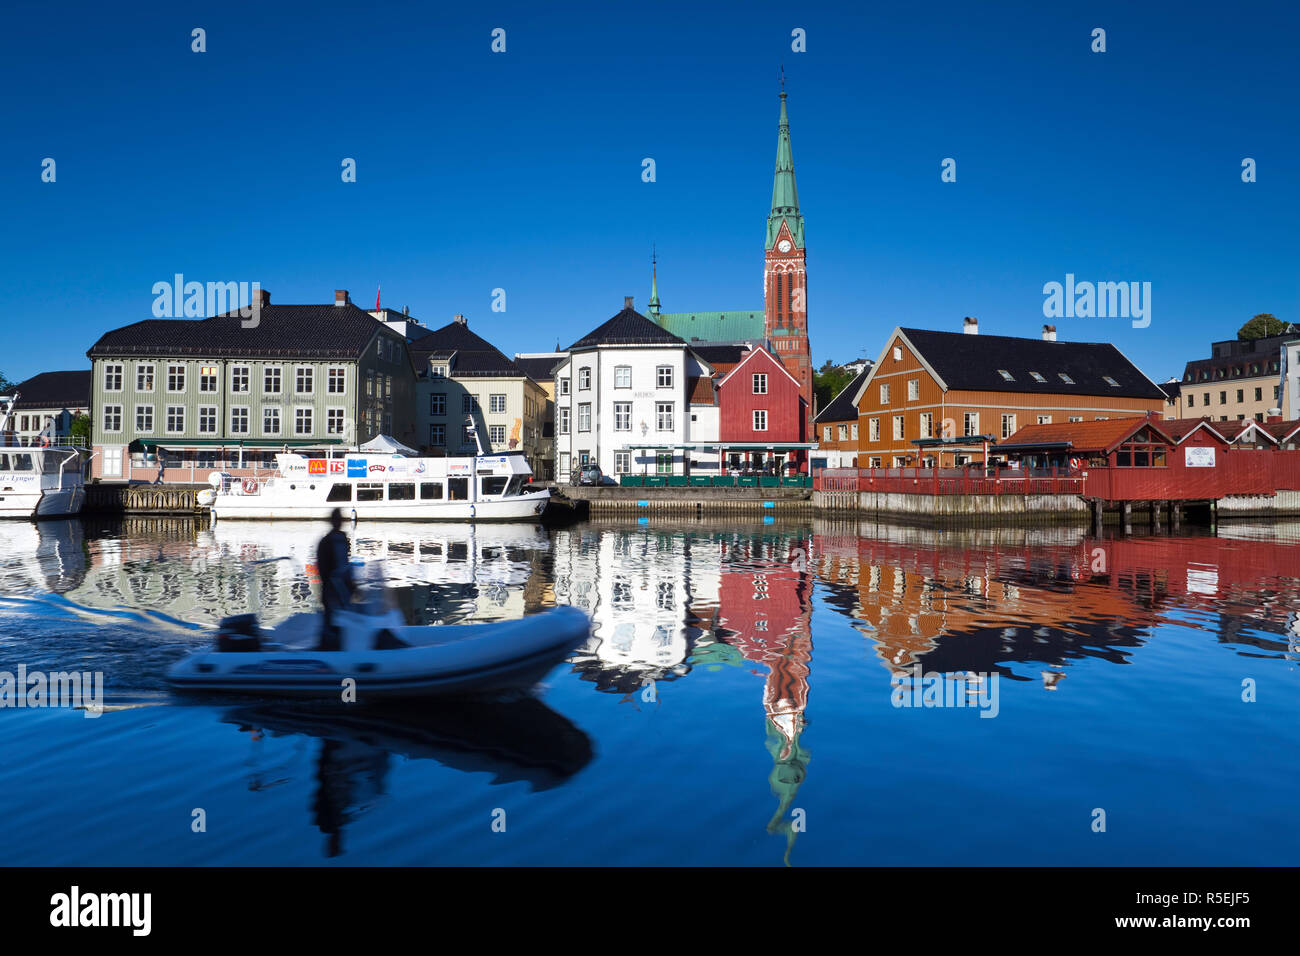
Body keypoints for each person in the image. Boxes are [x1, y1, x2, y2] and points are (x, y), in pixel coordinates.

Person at [316, 508, 355, 650]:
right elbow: (323, 568)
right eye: (337, 519)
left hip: (343, 588)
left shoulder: (343, 539)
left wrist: (351, 584)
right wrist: (329, 585)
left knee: (341, 618)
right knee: (331, 619)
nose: (338, 522)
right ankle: (328, 647)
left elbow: (346, 563)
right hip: (332, 588)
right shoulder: (326, 542)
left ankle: (341, 644)